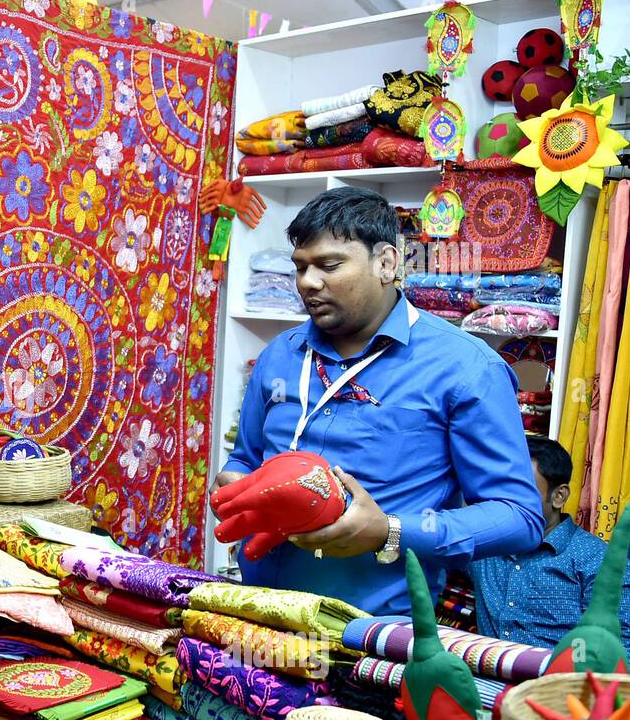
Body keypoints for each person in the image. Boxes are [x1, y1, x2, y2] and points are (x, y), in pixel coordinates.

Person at [215, 187, 544, 616]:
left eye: (329, 265)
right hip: (258, 609)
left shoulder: (466, 367)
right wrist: (236, 484)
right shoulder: (279, 354)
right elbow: (245, 457)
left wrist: (389, 531)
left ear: (387, 263)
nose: (307, 282)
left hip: (372, 635)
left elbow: (519, 517)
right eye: (300, 267)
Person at [470, 436, 630, 648]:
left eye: (522, 491)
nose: (507, 501)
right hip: (487, 677)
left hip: (558, 680)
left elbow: (619, 648)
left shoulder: (596, 560)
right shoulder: (485, 544)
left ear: (559, 496)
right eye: (502, 488)